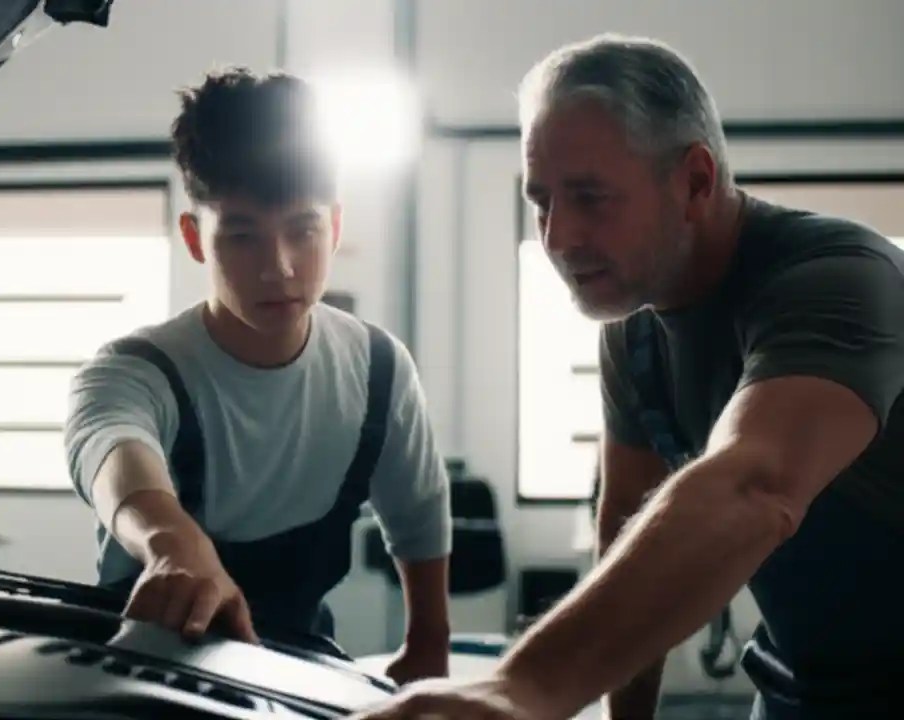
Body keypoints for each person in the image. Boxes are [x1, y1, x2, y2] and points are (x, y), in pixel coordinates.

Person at [350, 33, 904, 720]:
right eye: (542, 201)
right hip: (803, 686)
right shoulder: (634, 330)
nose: (557, 237)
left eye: (590, 197)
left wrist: (521, 687)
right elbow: (625, 529)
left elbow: (755, 486)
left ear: (695, 181)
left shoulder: (841, 279)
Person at [64, 67, 453, 684]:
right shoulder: (132, 371)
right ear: (195, 237)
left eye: (303, 230)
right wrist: (172, 545)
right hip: (149, 676)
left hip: (299, 668)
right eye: (242, 237)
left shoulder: (379, 369)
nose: (279, 267)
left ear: (335, 227)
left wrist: (429, 645)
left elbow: (419, 514)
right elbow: (114, 457)